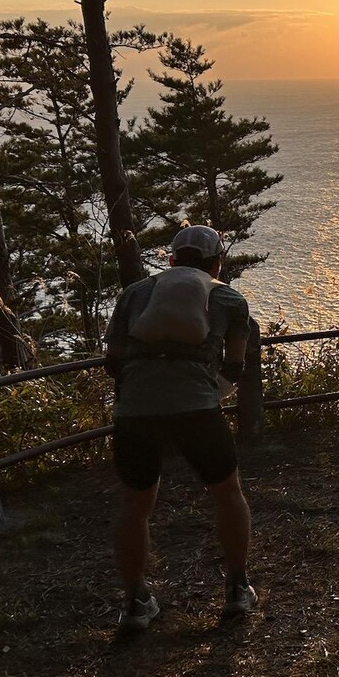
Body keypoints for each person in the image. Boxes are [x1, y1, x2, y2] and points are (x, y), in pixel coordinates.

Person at [104, 225, 256, 633]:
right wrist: (208, 393)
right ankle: (237, 588)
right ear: (217, 263)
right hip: (198, 411)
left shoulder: (134, 294)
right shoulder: (228, 298)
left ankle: (135, 601)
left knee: (135, 506)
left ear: (170, 261)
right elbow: (236, 365)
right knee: (228, 493)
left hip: (134, 412)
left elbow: (113, 359)